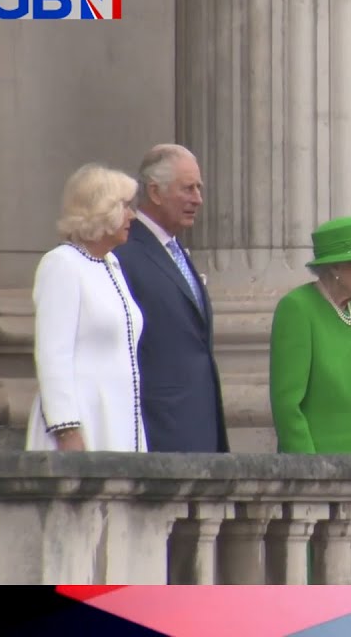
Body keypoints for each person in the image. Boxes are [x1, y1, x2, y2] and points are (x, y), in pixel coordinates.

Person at [112, 144, 229, 453]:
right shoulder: (124, 254)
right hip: (159, 430)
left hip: (200, 425)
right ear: (155, 192)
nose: (198, 199)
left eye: (199, 188)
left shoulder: (175, 251)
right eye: (188, 189)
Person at [25, 164, 145, 452]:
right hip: (81, 423)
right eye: (125, 207)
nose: (133, 216)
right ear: (103, 211)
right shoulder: (62, 264)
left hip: (118, 418)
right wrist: (66, 430)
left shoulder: (111, 265)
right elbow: (53, 354)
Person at [268, 216, 351, 455]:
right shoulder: (298, 308)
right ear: (335, 267)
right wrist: (310, 472)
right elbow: (287, 406)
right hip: (323, 468)